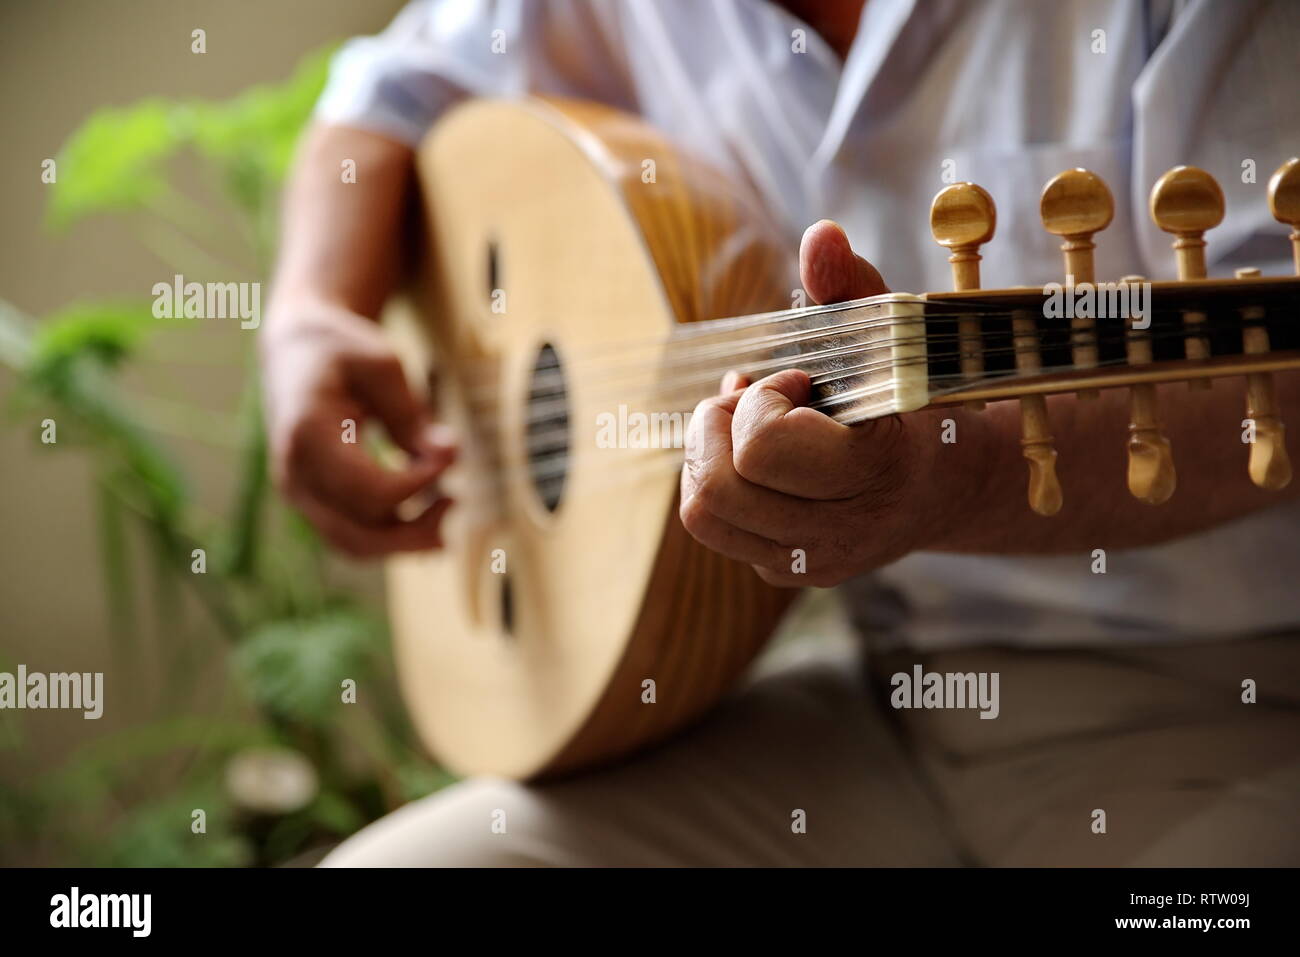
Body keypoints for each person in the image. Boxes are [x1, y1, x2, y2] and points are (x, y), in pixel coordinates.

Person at [260, 0, 1300, 866]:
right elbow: (389, 91)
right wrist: (310, 310)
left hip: (1212, 701)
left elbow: (1281, 377)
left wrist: (956, 479)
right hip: (869, 702)